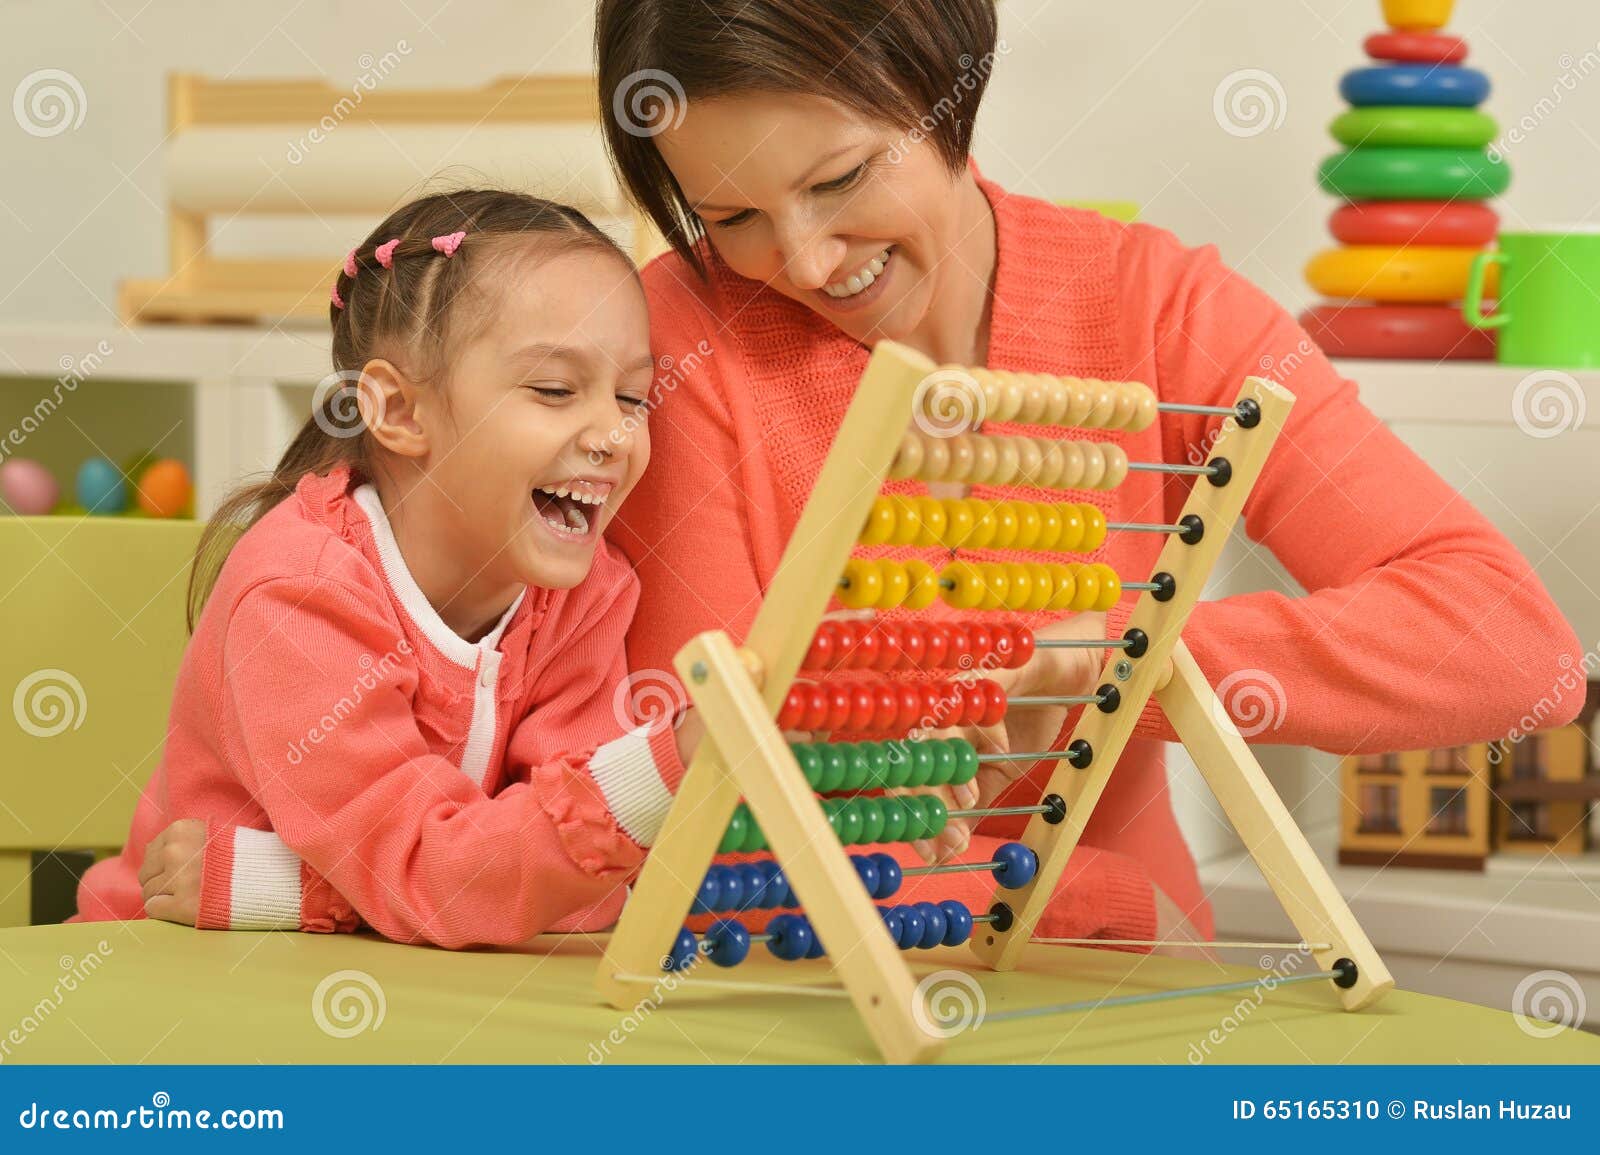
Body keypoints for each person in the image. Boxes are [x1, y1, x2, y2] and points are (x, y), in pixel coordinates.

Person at [594, 0, 1582, 943]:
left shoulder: (1155, 304)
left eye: (841, 179)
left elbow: (1512, 647)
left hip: (1124, 1008)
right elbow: (715, 820)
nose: (804, 261)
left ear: (940, 83)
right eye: (733, 219)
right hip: (829, 994)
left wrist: (1105, 657)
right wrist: (1098, 900)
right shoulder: (671, 345)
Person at [72, 190, 697, 949]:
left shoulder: (586, 597)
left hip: (383, 977)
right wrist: (662, 772)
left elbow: (575, 893)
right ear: (399, 412)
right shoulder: (299, 599)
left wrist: (284, 885)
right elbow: (492, 878)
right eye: (555, 389)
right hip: (163, 968)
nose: (614, 432)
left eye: (633, 395)